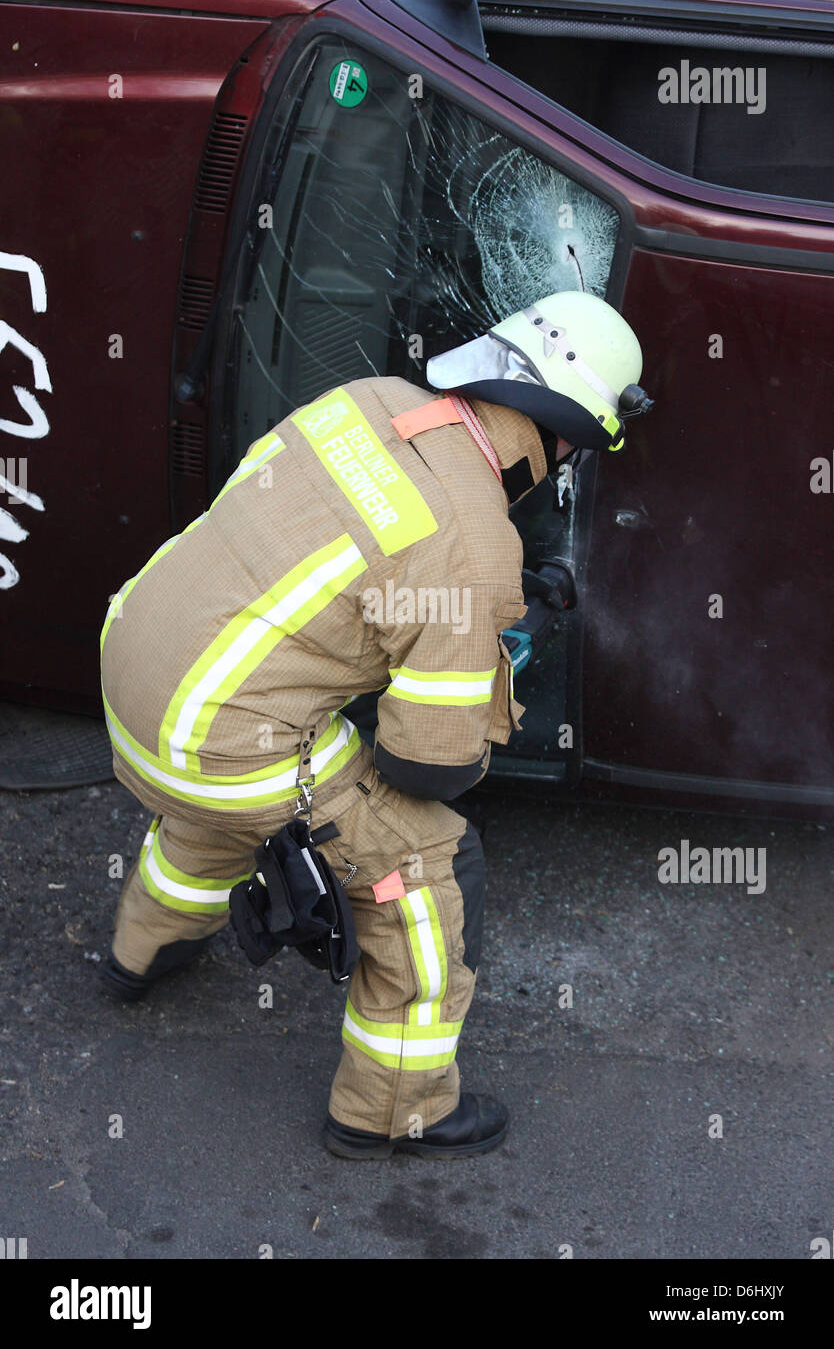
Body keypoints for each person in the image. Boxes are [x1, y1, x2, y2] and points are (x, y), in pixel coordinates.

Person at [99, 289, 650, 1159]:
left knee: (242, 793)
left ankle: (142, 951)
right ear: (562, 429)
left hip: (139, 665)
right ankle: (394, 1110)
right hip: (219, 746)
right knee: (428, 859)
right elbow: (425, 765)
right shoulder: (473, 548)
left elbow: (348, 562)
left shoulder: (367, 402)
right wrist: (498, 641)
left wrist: (474, 615)